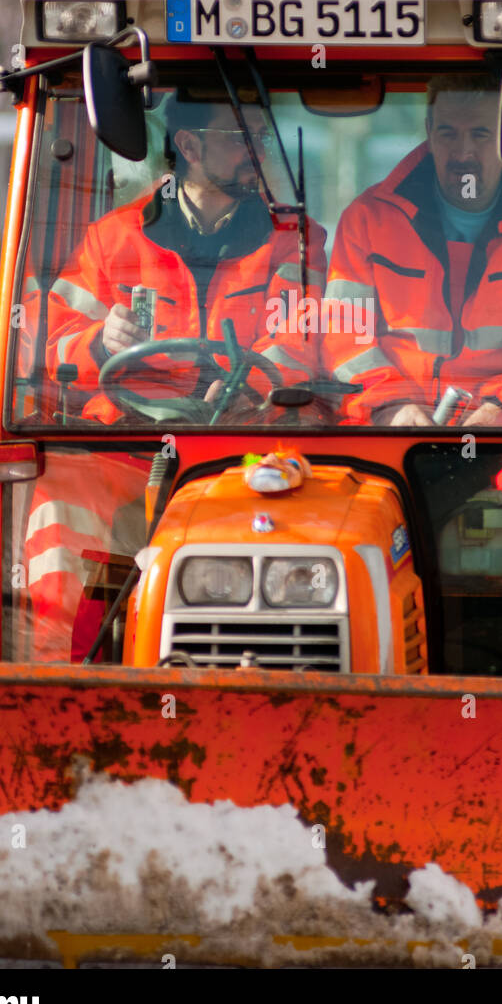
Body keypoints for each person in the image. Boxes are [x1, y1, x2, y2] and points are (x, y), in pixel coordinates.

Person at [24, 92, 327, 661]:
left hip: (251, 448)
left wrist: (252, 386)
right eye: (240, 139)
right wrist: (96, 339)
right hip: (129, 449)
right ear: (188, 147)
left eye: (262, 139)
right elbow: (43, 340)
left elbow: (301, 337)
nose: (257, 153)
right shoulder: (113, 238)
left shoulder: (295, 239)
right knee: (58, 502)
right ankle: (59, 685)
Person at [322, 76, 502, 429]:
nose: (463, 153)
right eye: (448, 134)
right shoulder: (369, 219)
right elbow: (344, 336)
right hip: (391, 423)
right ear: (428, 130)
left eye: (480, 135)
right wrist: (391, 406)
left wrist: (499, 403)